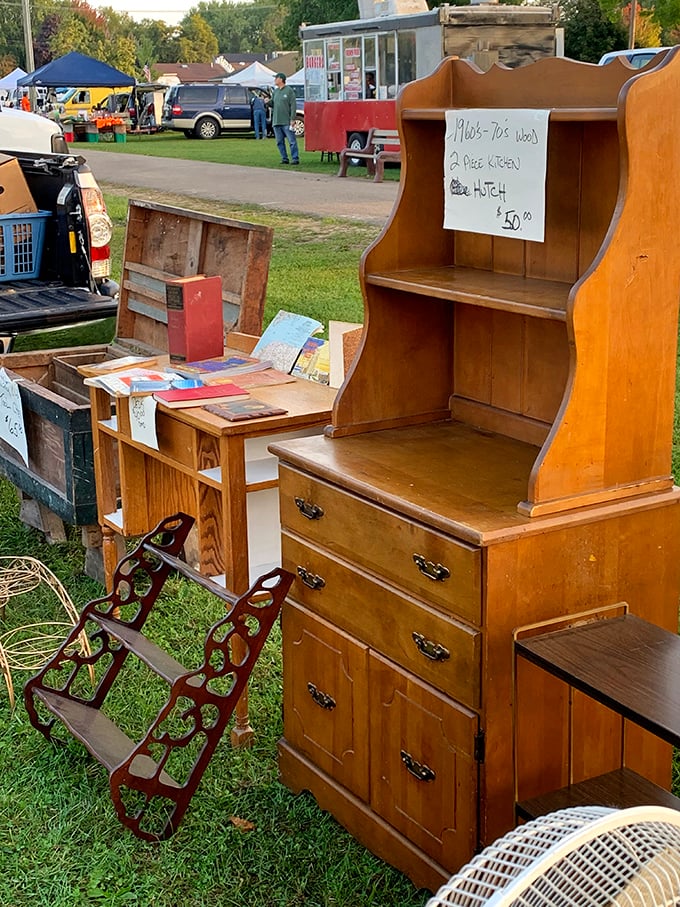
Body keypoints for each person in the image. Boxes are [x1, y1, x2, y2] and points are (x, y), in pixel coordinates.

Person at [270, 72, 299, 165]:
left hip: (286, 121)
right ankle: (284, 158)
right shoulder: (276, 91)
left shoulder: (289, 91)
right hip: (276, 121)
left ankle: (295, 158)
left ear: (281, 79)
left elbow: (293, 105)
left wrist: (292, 118)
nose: (275, 80)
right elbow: (273, 103)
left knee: (292, 141)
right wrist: (267, 102)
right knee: (279, 142)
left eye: (276, 78)